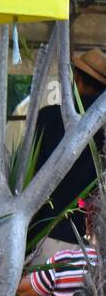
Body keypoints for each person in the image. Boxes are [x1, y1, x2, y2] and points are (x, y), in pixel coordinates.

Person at [28, 48, 106, 254]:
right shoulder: (103, 130)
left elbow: (29, 175)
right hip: (88, 240)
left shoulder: (47, 118)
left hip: (43, 231)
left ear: (76, 77)